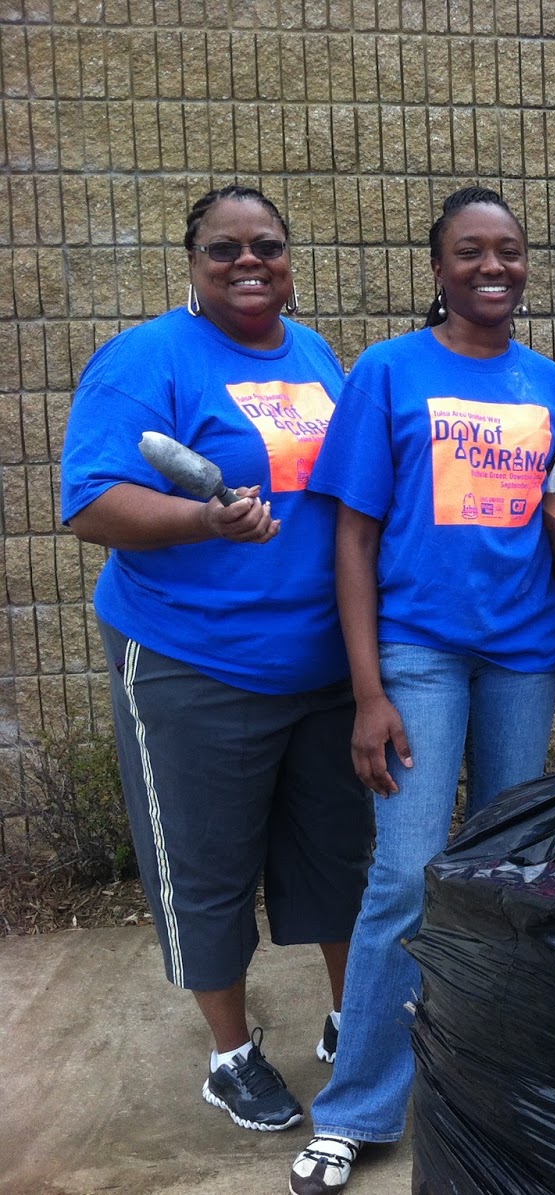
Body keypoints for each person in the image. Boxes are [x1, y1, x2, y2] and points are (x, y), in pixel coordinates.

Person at [286, 186, 555, 1195]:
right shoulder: (387, 372)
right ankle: (359, 1105)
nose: (493, 268)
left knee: (506, 877)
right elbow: (353, 533)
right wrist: (368, 691)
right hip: (417, 653)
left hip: (522, 653)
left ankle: (492, 1087)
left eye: (509, 252)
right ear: (437, 269)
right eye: (470, 252)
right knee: (408, 874)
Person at [59, 185, 371, 1134]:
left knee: (338, 860)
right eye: (224, 249)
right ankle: (230, 1054)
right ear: (192, 260)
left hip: (319, 664)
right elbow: (90, 500)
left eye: (267, 248)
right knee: (206, 860)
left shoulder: (314, 354)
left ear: (289, 259)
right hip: (196, 662)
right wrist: (203, 517)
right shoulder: (147, 360)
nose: (249, 264)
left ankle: (348, 1020)